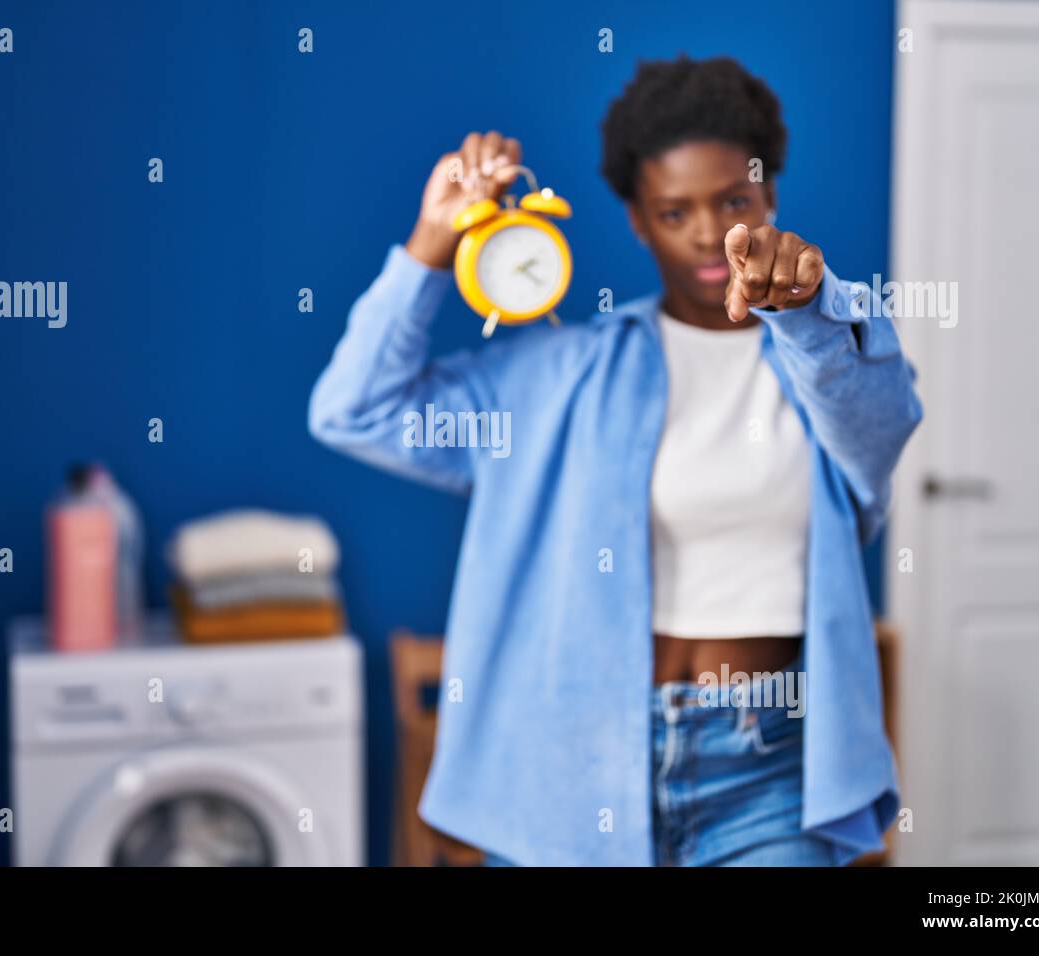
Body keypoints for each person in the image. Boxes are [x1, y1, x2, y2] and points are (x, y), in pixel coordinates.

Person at [309, 54, 923, 866]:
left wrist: (809, 312)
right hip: (573, 773)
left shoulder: (827, 356)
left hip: (768, 773)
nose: (711, 234)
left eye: (733, 201)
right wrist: (432, 244)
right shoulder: (557, 373)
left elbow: (883, 420)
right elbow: (355, 411)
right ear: (637, 219)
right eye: (675, 211)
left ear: (769, 194)